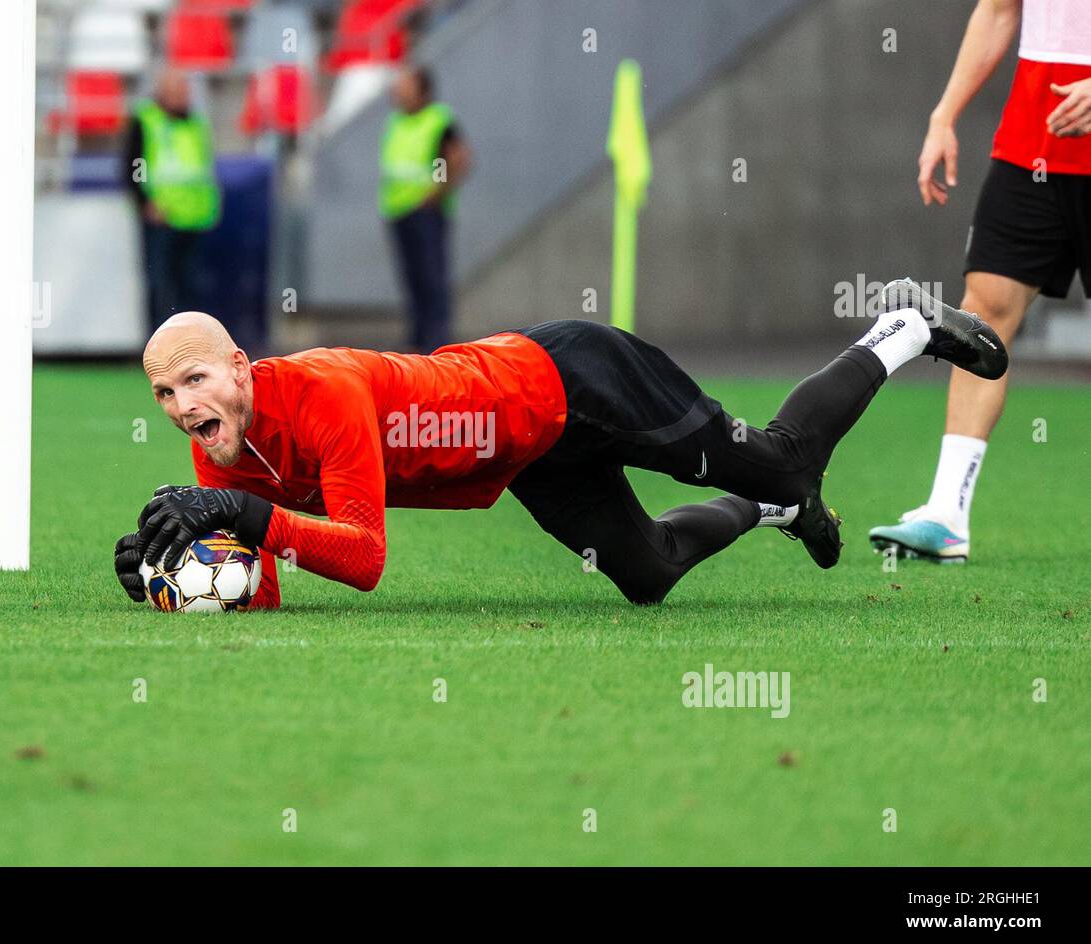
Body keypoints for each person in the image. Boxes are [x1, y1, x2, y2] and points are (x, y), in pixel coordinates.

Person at [113, 281, 1008, 609]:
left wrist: (240, 515)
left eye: (195, 380)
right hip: (526, 452)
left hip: (574, 383)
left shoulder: (324, 391)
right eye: (163, 393)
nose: (180, 404)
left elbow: (365, 558)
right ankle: (770, 509)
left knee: (784, 452)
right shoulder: (220, 447)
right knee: (649, 574)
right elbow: (263, 573)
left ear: (239, 366)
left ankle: (900, 328)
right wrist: (179, 573)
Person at [869, 0, 1091, 563]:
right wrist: (944, 115)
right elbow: (997, 11)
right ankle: (947, 514)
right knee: (983, 314)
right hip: (1031, 143)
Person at [379, 65, 472, 354]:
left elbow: (457, 158)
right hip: (399, 212)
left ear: (422, 89)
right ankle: (417, 343)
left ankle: (437, 346)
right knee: (413, 281)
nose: (398, 89)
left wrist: (436, 192)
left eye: (405, 84)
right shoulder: (396, 121)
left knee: (432, 281)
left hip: (426, 213)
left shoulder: (438, 120)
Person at [126, 67, 223, 338]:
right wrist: (145, 202)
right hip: (162, 217)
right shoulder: (146, 120)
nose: (183, 96)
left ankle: (188, 346)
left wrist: (210, 205)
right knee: (160, 285)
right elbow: (133, 166)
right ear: (162, 92)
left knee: (190, 288)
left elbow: (203, 168)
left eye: (185, 90)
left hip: (194, 216)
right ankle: (158, 346)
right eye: (177, 90)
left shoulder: (196, 123)